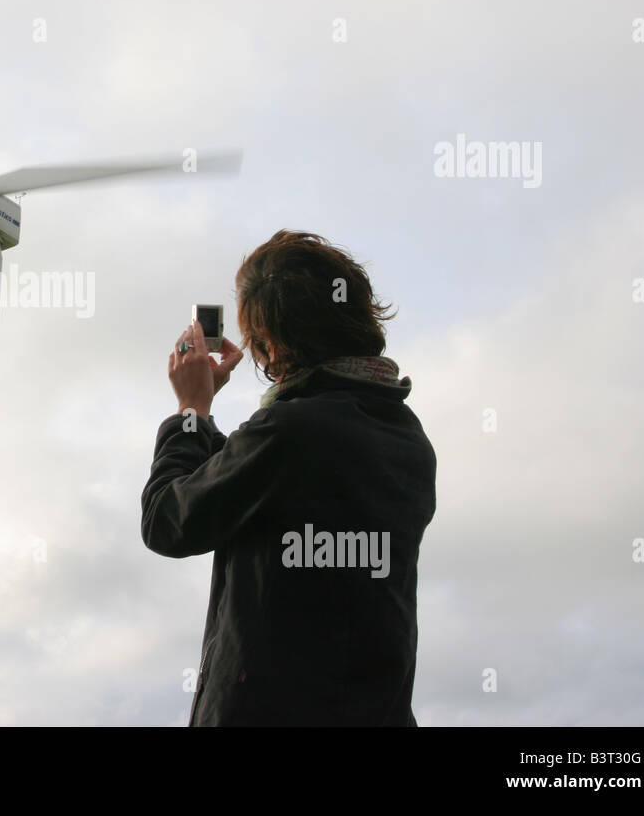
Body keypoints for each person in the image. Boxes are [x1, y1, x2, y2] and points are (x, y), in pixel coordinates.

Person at [141, 229, 437, 726]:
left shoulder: (290, 432)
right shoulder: (406, 436)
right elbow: (269, 486)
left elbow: (168, 521)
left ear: (271, 342)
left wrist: (191, 411)